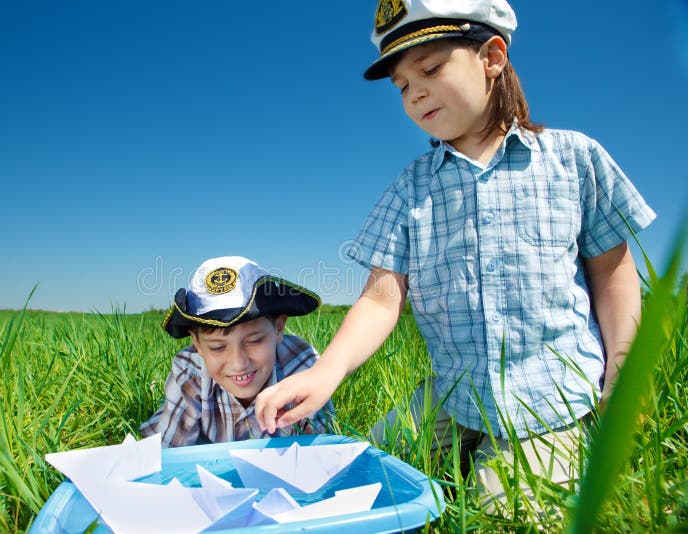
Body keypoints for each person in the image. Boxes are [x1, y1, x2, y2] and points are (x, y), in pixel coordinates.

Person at [256, 0, 655, 515]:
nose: (414, 91)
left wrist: (622, 370)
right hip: (455, 391)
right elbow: (382, 299)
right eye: (401, 85)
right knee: (356, 471)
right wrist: (325, 372)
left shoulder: (573, 159)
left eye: (430, 68)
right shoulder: (411, 188)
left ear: (491, 56)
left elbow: (613, 273)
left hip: (546, 402)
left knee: (502, 511)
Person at [140, 255, 334, 447]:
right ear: (197, 343)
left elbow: (321, 455)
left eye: (255, 340)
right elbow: (166, 455)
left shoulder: (304, 368)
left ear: (279, 328)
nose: (238, 363)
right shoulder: (190, 372)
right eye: (218, 347)